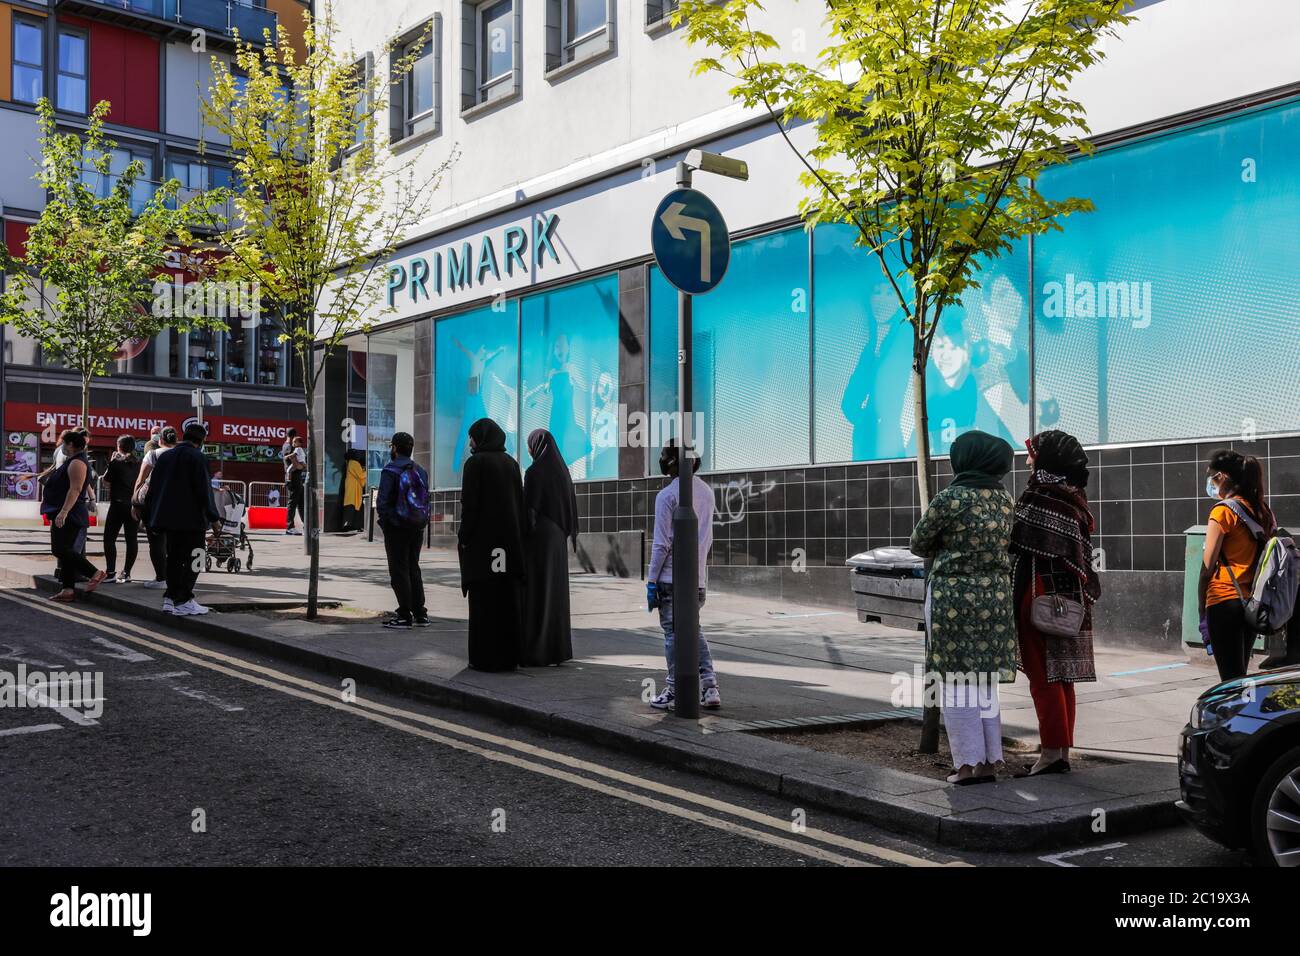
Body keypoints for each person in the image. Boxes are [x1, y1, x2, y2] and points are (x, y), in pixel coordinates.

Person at [909, 431, 1017, 785]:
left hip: (953, 599)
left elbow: (918, 543)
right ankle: (988, 760)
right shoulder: (1005, 501)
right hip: (996, 600)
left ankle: (967, 763)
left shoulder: (949, 499)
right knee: (986, 682)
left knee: (957, 680)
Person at [1010, 429, 1101, 776]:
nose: (1028, 459)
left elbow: (1016, 539)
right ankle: (1061, 748)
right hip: (1072, 599)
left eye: (1032, 453)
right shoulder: (1074, 497)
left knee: (1042, 676)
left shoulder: (1040, 496)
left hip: (1040, 597)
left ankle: (1050, 753)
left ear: (1046, 459)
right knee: (1063, 676)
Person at [647, 439, 719, 712]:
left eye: (664, 455)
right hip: (697, 579)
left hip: (670, 580)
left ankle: (675, 689)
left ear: (674, 461)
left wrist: (652, 580)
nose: (662, 460)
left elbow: (661, 544)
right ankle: (709, 687)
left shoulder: (667, 496)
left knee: (673, 635)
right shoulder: (706, 492)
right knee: (692, 631)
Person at [1198, 450, 1276, 683]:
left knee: (1230, 681)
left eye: (1212, 477)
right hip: (1252, 603)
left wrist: (1201, 606)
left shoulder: (1222, 512)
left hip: (1224, 601)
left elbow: (1207, 567)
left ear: (1222, 477)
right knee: (1239, 673)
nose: (1210, 483)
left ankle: (1234, 717)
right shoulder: (1264, 511)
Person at [458, 418, 525, 671]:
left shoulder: (474, 464)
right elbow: (519, 504)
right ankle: (508, 657)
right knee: (506, 602)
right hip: (508, 547)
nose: (471, 442)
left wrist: (464, 537)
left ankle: (483, 657)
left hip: (483, 547)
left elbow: (470, 506)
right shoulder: (511, 464)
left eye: (473, 437)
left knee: (483, 603)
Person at [144, 423, 221, 616]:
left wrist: (151, 516)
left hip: (168, 518)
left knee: (174, 558)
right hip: (192, 519)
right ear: (201, 441)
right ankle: (184, 598)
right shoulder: (198, 457)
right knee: (197, 556)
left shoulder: (165, 456)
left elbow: (153, 488)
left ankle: (170, 598)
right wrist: (214, 518)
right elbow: (204, 490)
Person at [521, 429, 577, 666]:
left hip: (540, 539)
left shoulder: (534, 472)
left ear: (536, 446)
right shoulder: (562, 471)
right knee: (555, 594)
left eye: (529, 445)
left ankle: (537, 650)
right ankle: (557, 650)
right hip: (558, 540)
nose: (529, 450)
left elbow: (530, 511)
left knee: (537, 592)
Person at [41, 429, 107, 602]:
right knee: (66, 552)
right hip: (66, 511)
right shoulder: (73, 460)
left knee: (60, 549)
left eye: (64, 443)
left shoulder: (77, 462)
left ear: (70, 444)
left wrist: (63, 512)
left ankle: (95, 572)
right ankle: (68, 589)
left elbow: (76, 489)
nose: (62, 446)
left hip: (69, 513)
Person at [376, 432, 430, 629]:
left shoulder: (391, 470)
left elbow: (382, 502)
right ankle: (420, 614)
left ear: (394, 448)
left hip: (397, 528)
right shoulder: (421, 470)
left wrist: (387, 522)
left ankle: (404, 615)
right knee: (413, 567)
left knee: (399, 570)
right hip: (417, 526)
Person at [134, 426, 177, 590]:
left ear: (160, 440)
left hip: (155, 505)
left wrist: (135, 503)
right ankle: (174, 577)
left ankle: (161, 578)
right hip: (176, 505)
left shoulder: (153, 454)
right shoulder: (182, 456)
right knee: (173, 542)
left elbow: (140, 480)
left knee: (156, 542)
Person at [102, 435, 141, 583]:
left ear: (119, 447)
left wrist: (112, 461)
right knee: (131, 539)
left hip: (118, 504)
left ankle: (111, 572)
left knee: (109, 538)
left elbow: (106, 481)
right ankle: (127, 572)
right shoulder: (139, 463)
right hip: (134, 505)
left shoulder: (116, 463)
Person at [284, 434, 307, 535]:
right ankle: (290, 527)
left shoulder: (297, 449)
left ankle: (306, 524)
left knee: (301, 503)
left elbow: (300, 465)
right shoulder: (291, 449)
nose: (293, 444)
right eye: (293, 442)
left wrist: (302, 466)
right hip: (294, 480)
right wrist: (300, 466)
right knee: (293, 503)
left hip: (297, 479)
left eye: (295, 442)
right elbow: (297, 465)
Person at [342, 449, 367, 532]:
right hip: (354, 487)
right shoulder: (354, 463)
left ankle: (349, 525)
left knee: (351, 504)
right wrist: (366, 471)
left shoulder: (349, 463)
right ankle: (350, 525)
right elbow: (361, 475)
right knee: (353, 505)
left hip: (351, 486)